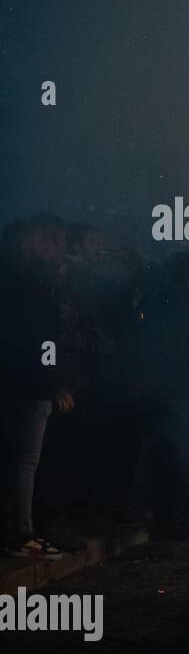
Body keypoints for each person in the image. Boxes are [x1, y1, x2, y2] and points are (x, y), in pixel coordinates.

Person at [0, 218, 74, 558]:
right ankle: (21, 533)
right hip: (28, 386)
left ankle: (23, 528)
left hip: (19, 382)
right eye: (53, 241)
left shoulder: (19, 280)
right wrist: (52, 383)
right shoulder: (30, 285)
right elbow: (41, 341)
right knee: (25, 461)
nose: (60, 248)